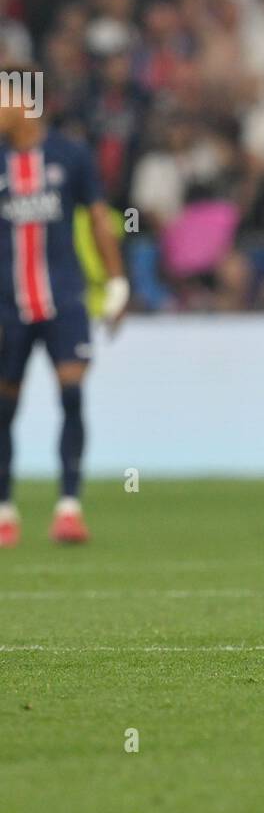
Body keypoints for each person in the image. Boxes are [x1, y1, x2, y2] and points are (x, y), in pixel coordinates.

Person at [0, 75, 129, 547]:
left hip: (65, 300)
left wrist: (116, 284)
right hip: (7, 306)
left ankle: (69, 508)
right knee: (4, 408)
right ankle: (5, 511)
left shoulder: (70, 154)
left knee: (72, 395)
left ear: (25, 104)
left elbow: (97, 217)